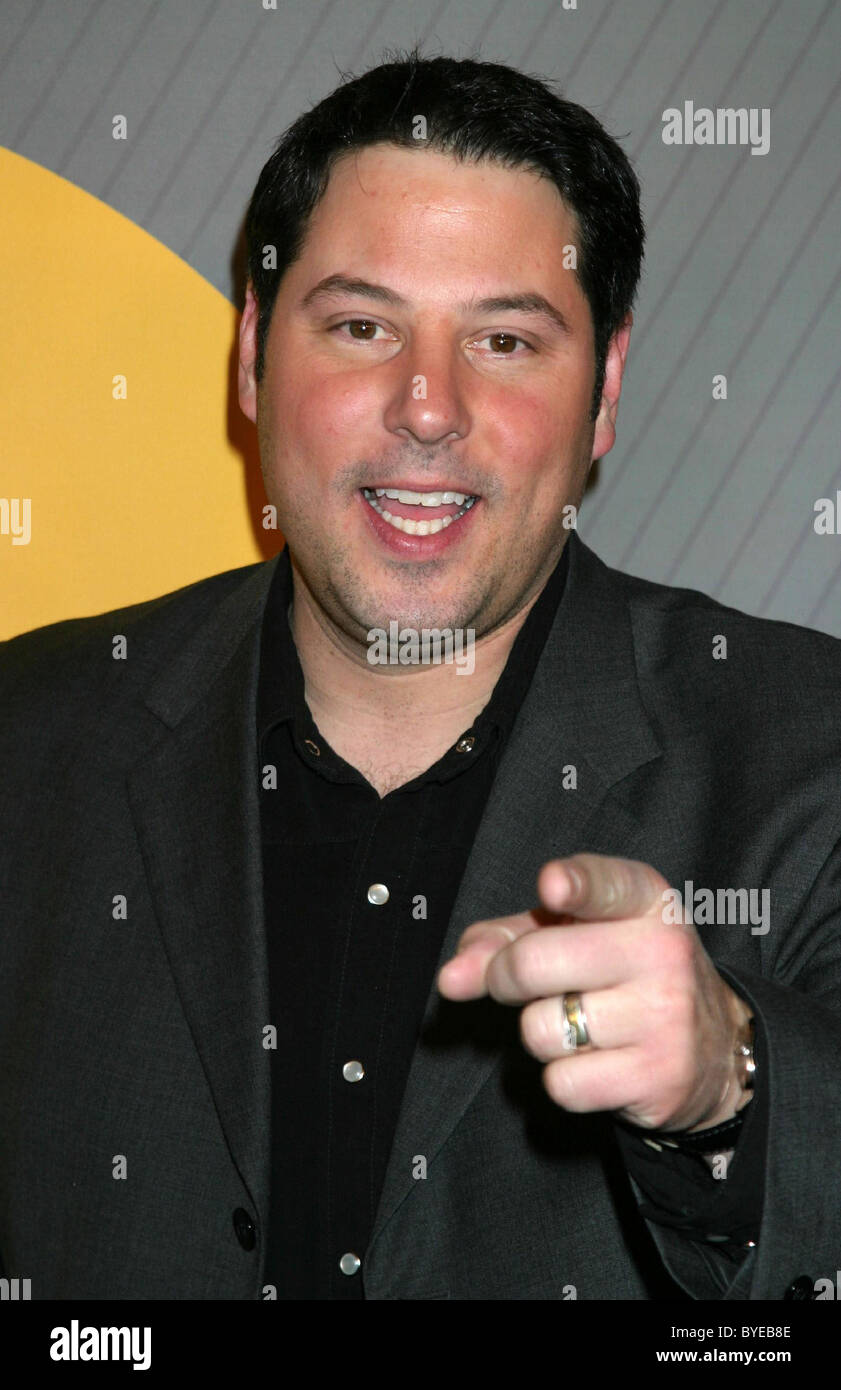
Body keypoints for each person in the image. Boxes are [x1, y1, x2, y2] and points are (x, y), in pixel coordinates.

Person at [1, 48, 839, 1303]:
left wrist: (733, 1082)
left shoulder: (808, 749)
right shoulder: (28, 736)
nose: (428, 406)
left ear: (603, 391)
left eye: (504, 339)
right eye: (360, 325)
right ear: (250, 358)